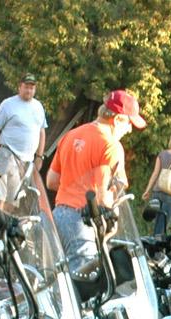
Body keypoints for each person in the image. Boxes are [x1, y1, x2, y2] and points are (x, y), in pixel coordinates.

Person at [47, 89, 145, 261]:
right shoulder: (110, 146)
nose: (129, 130)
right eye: (129, 123)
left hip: (57, 218)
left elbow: (52, 181)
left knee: (60, 282)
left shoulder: (71, 135)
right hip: (81, 224)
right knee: (85, 282)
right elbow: (102, 198)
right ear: (118, 119)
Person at [0, 74, 48, 208]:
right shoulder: (8, 104)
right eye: (26, 87)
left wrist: (39, 156)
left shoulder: (38, 107)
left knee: (13, 200)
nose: (29, 90)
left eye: (32, 88)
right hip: (6, 154)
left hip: (25, 161)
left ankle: (4, 227)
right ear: (19, 87)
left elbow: (42, 132)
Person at [140, 129, 171, 238]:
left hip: (157, 192)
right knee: (163, 225)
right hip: (170, 195)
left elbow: (155, 173)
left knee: (157, 222)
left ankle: (151, 243)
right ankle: (156, 250)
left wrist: (147, 190)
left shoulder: (162, 154)